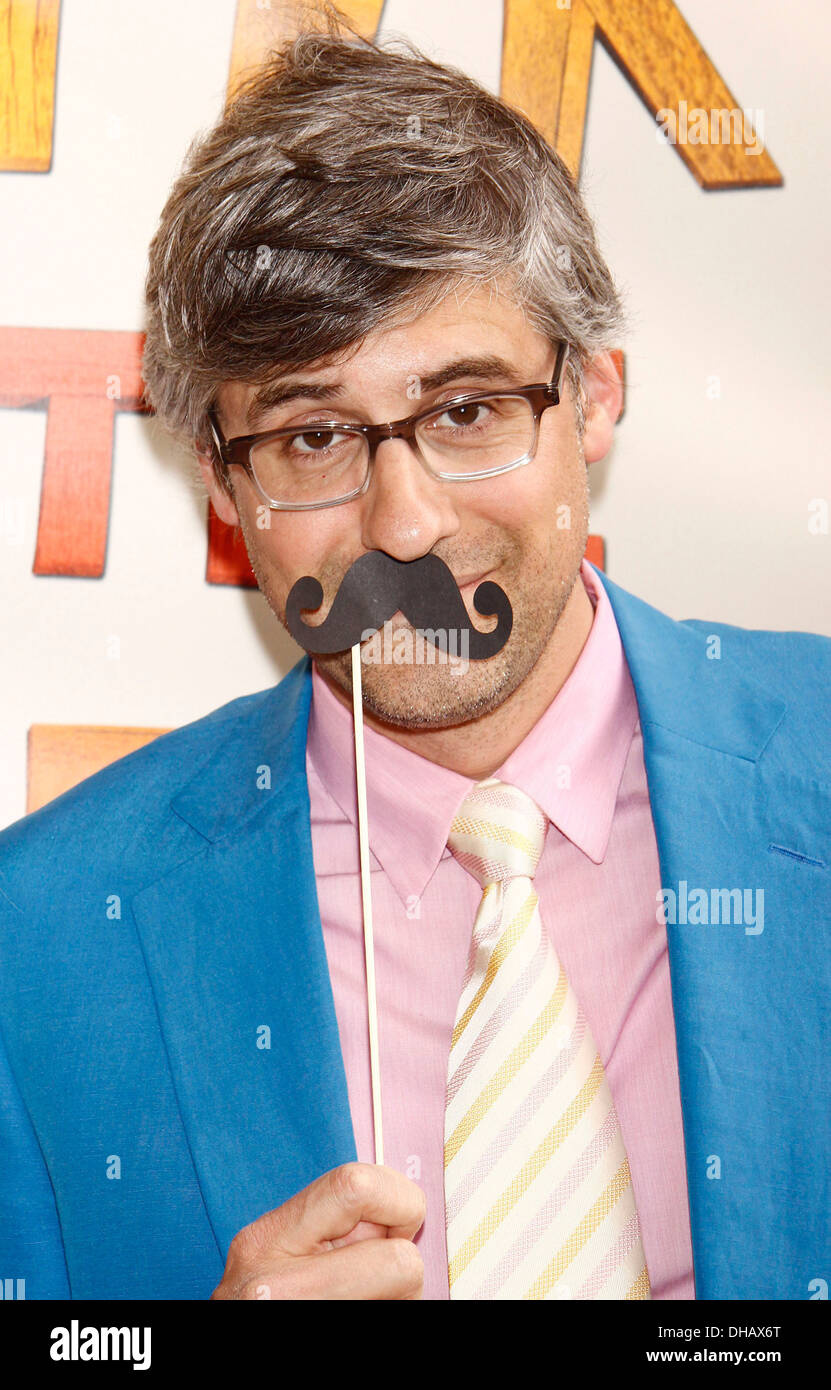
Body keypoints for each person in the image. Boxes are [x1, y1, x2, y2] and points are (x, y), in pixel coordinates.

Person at [0, 19, 828, 1303]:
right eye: (313, 437)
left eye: (467, 411)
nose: (405, 525)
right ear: (220, 482)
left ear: (597, 394)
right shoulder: (41, 937)